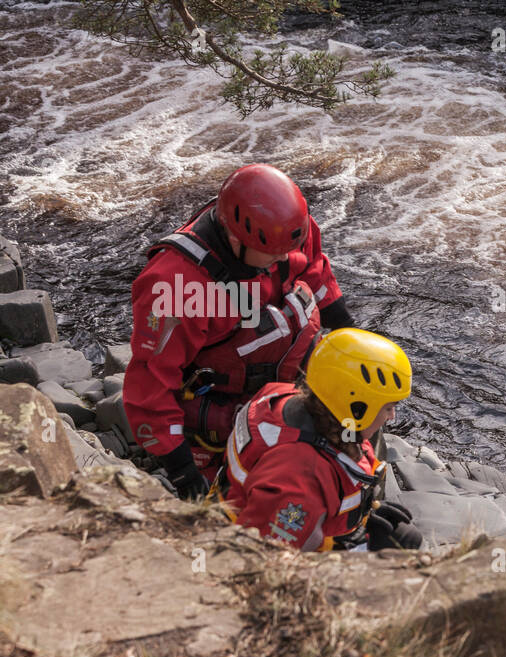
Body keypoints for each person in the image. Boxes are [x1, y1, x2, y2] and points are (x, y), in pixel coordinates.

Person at [124, 163, 357, 500]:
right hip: (218, 413)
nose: (283, 258)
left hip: (287, 382)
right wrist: (182, 471)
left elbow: (315, 272)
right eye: (272, 255)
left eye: (286, 250)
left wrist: (350, 333)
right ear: (236, 238)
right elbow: (151, 382)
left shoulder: (287, 228)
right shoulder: (176, 285)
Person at [219, 328, 422, 553]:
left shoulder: (283, 396)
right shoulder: (299, 477)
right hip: (281, 546)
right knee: (405, 543)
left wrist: (365, 516)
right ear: (354, 407)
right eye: (388, 408)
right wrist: (364, 550)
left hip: (306, 522)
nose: (392, 417)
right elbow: (266, 556)